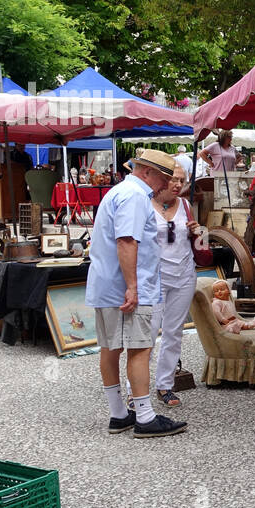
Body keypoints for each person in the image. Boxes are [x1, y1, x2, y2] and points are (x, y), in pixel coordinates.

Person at [86, 148, 187, 438]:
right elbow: (127, 241)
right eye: (163, 178)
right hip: (128, 288)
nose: (165, 185)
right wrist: (132, 287)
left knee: (110, 349)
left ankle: (119, 413)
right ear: (147, 172)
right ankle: (144, 416)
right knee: (139, 349)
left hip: (109, 285)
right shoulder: (134, 196)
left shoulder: (122, 191)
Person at [151, 164, 201, 408]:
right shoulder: (144, 205)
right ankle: (134, 389)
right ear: (161, 180)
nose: (178, 185)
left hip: (183, 275)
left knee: (173, 333)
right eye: (173, 180)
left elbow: (200, 240)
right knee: (147, 334)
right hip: (154, 277)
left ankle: (165, 385)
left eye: (182, 180)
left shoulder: (186, 206)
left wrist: (197, 232)